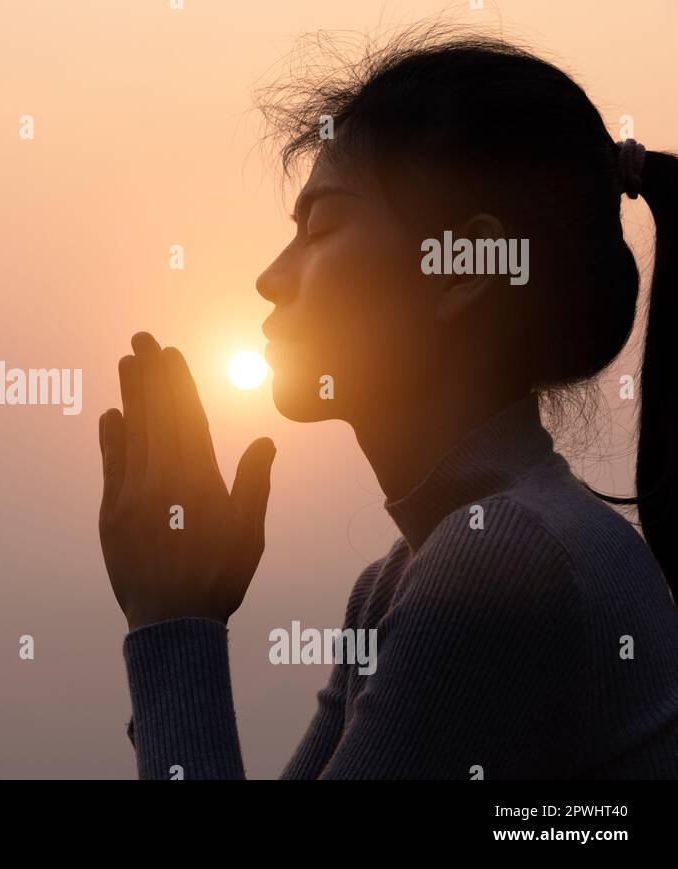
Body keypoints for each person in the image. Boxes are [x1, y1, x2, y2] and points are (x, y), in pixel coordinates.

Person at [96, 28, 678, 779]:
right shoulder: (402, 577)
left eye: (322, 226)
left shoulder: (506, 560)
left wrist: (173, 621)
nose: (271, 277)